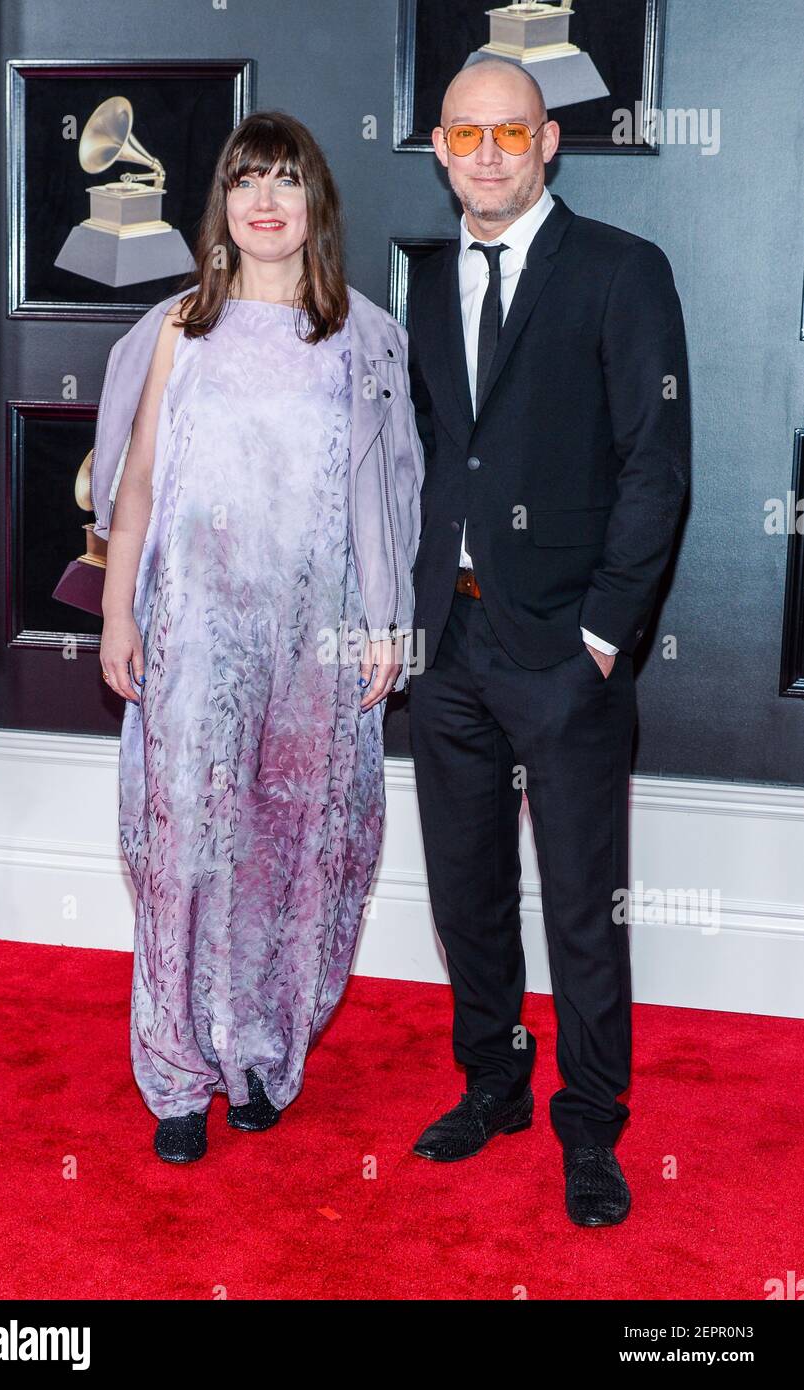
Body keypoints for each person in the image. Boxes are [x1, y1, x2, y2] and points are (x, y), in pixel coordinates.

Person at [93, 111, 423, 1163]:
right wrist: (117, 610)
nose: (266, 198)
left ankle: (260, 1056)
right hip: (194, 637)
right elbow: (133, 486)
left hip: (315, 648)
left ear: (315, 205)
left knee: (297, 852)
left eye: (287, 179)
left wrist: (388, 625)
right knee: (185, 849)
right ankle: (179, 1073)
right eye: (247, 180)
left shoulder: (366, 336)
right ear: (222, 205)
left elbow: (393, 495)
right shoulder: (177, 330)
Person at [405, 58, 690, 1224]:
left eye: (508, 134)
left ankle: (591, 1125)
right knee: (466, 892)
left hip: (567, 655)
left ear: (549, 141)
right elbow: (430, 462)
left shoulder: (623, 270)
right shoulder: (424, 280)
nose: (486, 154)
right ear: (437, 147)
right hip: (450, 642)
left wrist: (603, 639)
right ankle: (493, 1081)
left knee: (582, 903)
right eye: (465, 136)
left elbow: (654, 471)